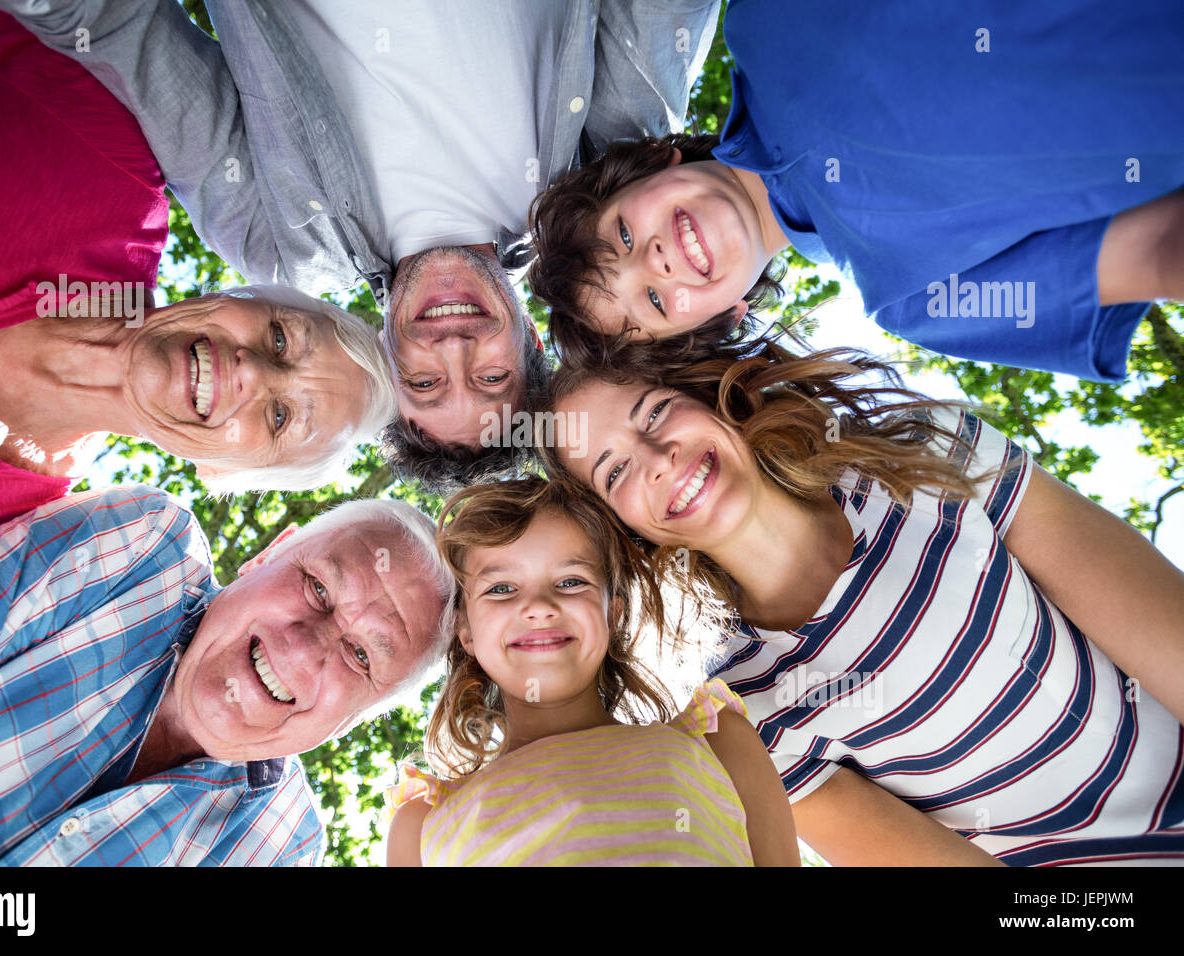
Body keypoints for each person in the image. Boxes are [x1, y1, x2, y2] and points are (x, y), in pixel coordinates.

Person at [0, 0, 721, 489]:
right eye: (492, 379)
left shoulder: (279, 240)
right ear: (530, 333)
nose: (454, 347)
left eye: (427, 384)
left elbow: (123, 30)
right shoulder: (601, 197)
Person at [542, 340, 1184, 865]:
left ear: (711, 395)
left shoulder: (927, 455)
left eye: (654, 413)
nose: (658, 459)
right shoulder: (747, 712)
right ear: (627, 531)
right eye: (615, 471)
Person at [0, 0, 395, 575]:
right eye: (280, 339)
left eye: (279, 418)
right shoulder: (106, 150)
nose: (251, 371)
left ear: (222, 474)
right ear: (240, 292)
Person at [527, 0, 1184, 380]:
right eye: (651, 300)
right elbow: (1159, 252)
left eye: (622, 235)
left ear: (650, 161)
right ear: (726, 319)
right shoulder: (919, 301)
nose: (657, 261)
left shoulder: (760, 24)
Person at [0, 485, 453, 865]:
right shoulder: (143, 551)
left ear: (360, 719)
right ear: (268, 552)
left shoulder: (280, 849)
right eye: (319, 588)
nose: (304, 650)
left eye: (361, 657)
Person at [384, 477, 799, 867]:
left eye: (570, 581)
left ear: (613, 614)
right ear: (467, 632)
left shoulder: (718, 741)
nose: (539, 606)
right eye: (501, 589)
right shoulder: (420, 827)